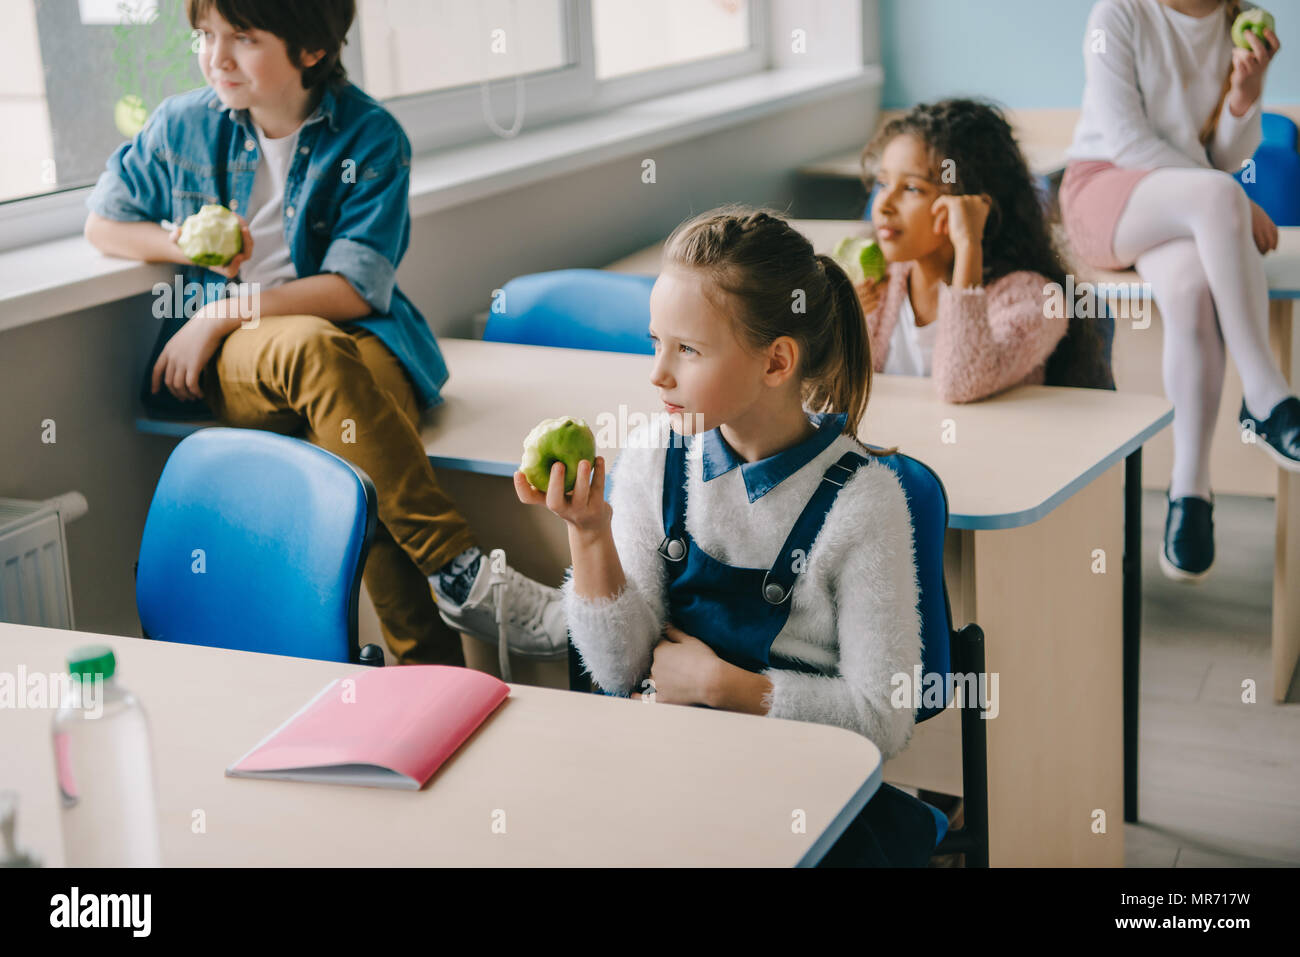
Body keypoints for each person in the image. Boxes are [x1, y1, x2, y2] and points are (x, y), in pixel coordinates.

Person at [83, 0, 566, 663]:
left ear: (311, 49)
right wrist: (183, 242)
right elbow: (102, 223)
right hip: (250, 355)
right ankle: (458, 570)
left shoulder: (372, 136)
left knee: (355, 435)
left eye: (243, 37)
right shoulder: (183, 125)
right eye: (205, 35)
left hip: (350, 332)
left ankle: (434, 676)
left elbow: (354, 288)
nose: (215, 57)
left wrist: (221, 309)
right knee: (318, 357)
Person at [517, 207, 938, 866]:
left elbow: (882, 717)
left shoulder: (863, 501)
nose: (657, 373)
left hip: (805, 788)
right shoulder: (655, 457)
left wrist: (727, 687)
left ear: (776, 362)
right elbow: (618, 668)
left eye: (687, 349)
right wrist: (589, 533)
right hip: (673, 769)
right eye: (655, 341)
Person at [1060, 0, 1300, 582]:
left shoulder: (1233, 23)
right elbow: (1127, 142)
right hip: (1102, 189)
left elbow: (1225, 160)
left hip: (1175, 204)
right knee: (1218, 198)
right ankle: (1265, 397)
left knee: (1193, 290)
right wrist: (1232, 197)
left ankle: (1189, 493)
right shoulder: (1117, 15)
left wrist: (1245, 95)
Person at [857, 98, 1114, 404]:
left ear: (972, 204)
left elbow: (961, 383)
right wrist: (841, 326)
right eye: (883, 183)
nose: (882, 205)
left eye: (912, 188)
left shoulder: (1033, 300)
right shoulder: (876, 287)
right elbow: (829, 399)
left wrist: (968, 244)